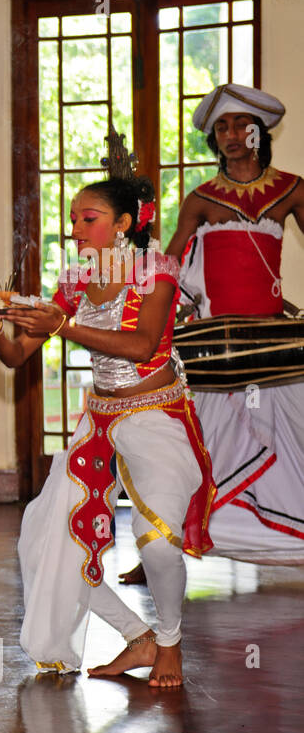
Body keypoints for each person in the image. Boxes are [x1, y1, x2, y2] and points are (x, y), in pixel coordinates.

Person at [0, 129, 214, 687]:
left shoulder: (158, 272)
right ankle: (138, 638)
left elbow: (143, 346)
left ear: (123, 224)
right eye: (73, 218)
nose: (75, 229)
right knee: (45, 538)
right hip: (98, 422)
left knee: (156, 541)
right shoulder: (76, 279)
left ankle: (170, 642)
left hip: (156, 414)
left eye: (89, 218)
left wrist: (64, 326)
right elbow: (16, 356)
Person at [119, 83, 304, 581]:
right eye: (220, 127)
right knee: (193, 450)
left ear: (258, 131)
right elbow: (171, 264)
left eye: (239, 124)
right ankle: (161, 547)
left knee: (294, 445)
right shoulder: (201, 198)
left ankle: (284, 538)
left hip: (272, 347)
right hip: (216, 347)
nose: (229, 134)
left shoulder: (291, 187)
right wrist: (157, 312)